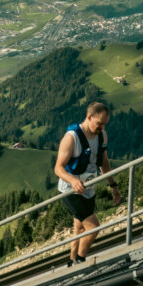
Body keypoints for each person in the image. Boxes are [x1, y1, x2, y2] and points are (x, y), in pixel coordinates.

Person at [54, 102, 122, 265]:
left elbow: (104, 162)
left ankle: (71, 263)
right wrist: (72, 180)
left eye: (105, 123)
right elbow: (58, 168)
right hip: (71, 191)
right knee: (93, 227)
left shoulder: (102, 135)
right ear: (89, 117)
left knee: (79, 228)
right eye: (99, 123)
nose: (102, 127)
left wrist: (113, 186)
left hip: (89, 188)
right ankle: (80, 261)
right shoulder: (72, 138)